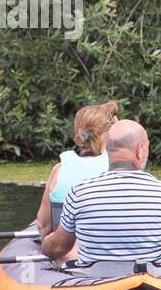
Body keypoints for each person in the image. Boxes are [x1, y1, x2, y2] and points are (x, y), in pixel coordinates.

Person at [41, 118, 161, 264]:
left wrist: (45, 242)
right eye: (147, 147)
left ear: (107, 149)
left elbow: (58, 247)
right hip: (149, 280)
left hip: (94, 282)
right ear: (140, 150)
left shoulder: (79, 192)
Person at [33, 100, 117, 239]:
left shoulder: (59, 169)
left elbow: (43, 225)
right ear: (109, 132)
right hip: (105, 252)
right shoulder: (116, 167)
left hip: (65, 254)